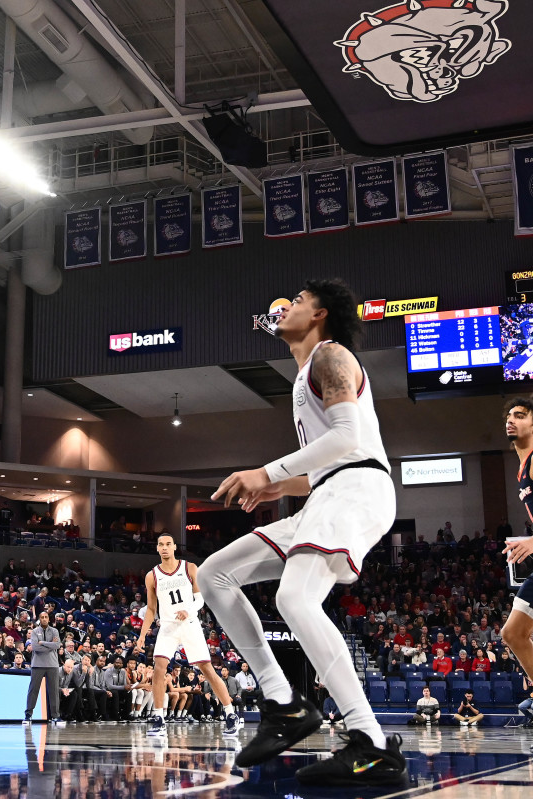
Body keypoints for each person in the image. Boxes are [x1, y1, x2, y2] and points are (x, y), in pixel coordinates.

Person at [199, 280, 407, 786]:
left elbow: (347, 440)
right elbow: (328, 460)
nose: (285, 307)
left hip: (356, 490)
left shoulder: (331, 356)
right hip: (328, 492)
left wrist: (266, 473)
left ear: (319, 314)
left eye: (296, 301)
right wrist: (284, 485)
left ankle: (371, 742)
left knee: (295, 598)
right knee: (214, 575)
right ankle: (283, 702)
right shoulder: (307, 370)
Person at [135, 533, 241, 737]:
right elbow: (151, 609)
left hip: (190, 624)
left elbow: (200, 599)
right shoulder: (152, 575)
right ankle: (159, 717)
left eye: (168, 544)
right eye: (160, 544)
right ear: (157, 548)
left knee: (207, 669)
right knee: (159, 667)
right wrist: (141, 635)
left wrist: (188, 611)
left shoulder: (189, 567)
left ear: (174, 547)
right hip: (168, 626)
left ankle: (230, 713)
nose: (164, 547)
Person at [498, 398, 533, 708]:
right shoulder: (522, 467)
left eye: (520, 415)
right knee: (513, 633)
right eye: (509, 416)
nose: (511, 420)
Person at [24, 611, 61, 723]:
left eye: (46, 617)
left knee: (54, 691)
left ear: (49, 619)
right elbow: (35, 647)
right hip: (37, 664)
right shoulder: (35, 631)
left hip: (52, 664)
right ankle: (28, 715)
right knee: (33, 690)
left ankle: (55, 716)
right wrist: (50, 645)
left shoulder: (54, 631)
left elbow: (57, 645)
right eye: (42, 617)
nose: (44, 619)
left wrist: (42, 643)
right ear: (39, 619)